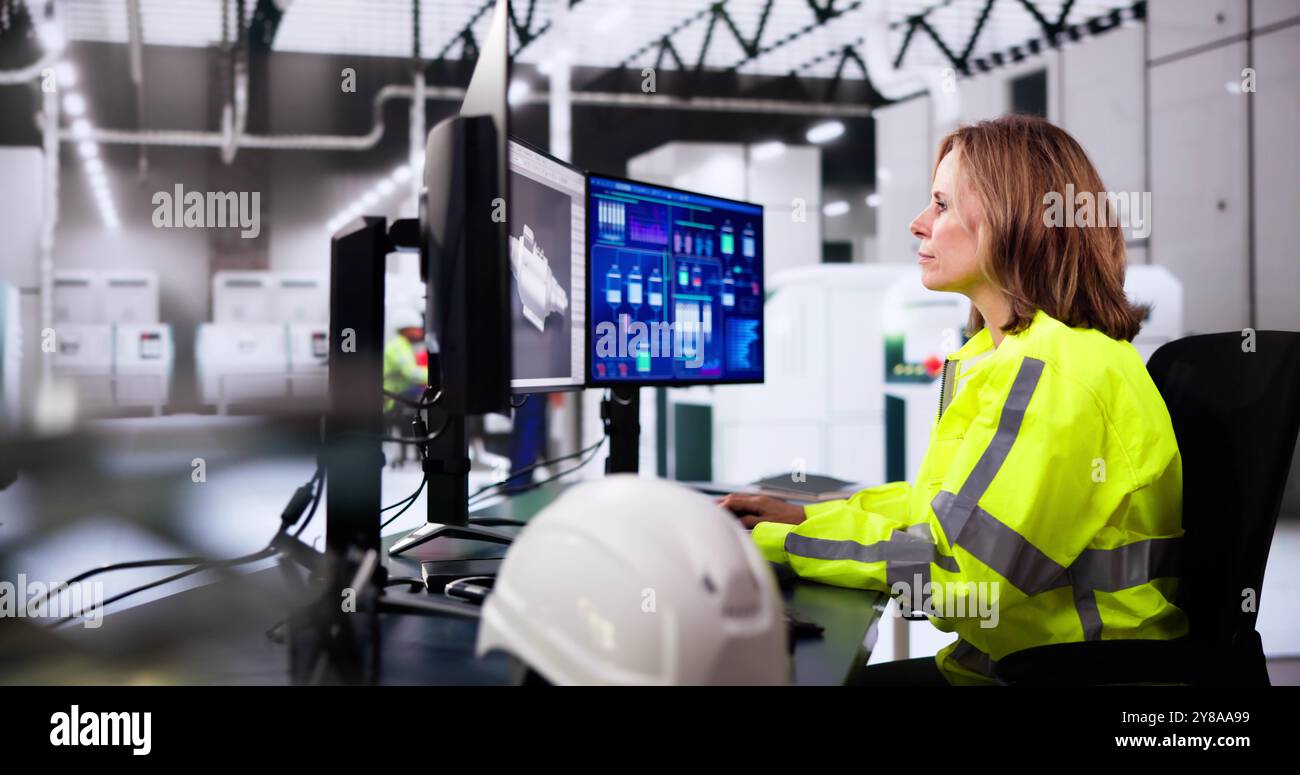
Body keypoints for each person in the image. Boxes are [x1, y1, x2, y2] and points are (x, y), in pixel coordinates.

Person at [720, 114, 1185, 686]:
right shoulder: (1005, 359)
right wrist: (807, 514)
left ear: (1010, 220)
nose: (918, 225)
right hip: (1001, 665)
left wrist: (777, 542)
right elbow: (937, 512)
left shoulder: (1059, 372)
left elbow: (959, 574)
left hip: (1065, 679)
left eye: (940, 205)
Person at [383, 309, 428, 413]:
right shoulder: (398, 346)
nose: (421, 331)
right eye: (417, 328)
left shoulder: (403, 345)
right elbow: (412, 374)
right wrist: (439, 375)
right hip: (393, 397)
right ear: (407, 329)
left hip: (395, 394)